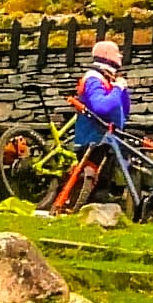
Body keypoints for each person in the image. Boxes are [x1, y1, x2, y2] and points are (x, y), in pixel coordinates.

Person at [50, 36, 135, 212]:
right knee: (95, 183)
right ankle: (89, 213)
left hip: (108, 138)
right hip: (93, 139)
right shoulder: (94, 78)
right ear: (105, 55)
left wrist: (122, 90)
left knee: (106, 179)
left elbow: (124, 111)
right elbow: (101, 106)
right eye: (117, 53)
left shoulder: (108, 79)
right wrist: (118, 89)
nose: (120, 57)